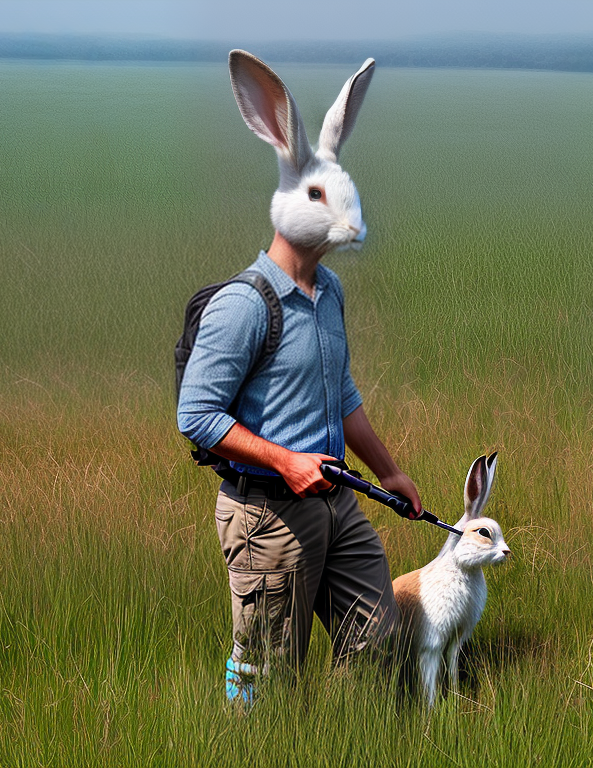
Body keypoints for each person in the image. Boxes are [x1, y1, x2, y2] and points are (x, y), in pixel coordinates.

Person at [176, 50, 421, 703]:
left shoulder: (330, 292)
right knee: (268, 672)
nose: (347, 220)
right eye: (320, 197)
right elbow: (196, 415)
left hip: (337, 500)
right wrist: (283, 461)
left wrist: (389, 471)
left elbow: (341, 394)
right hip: (267, 511)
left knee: (375, 639)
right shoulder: (244, 304)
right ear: (288, 195)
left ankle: (348, 739)